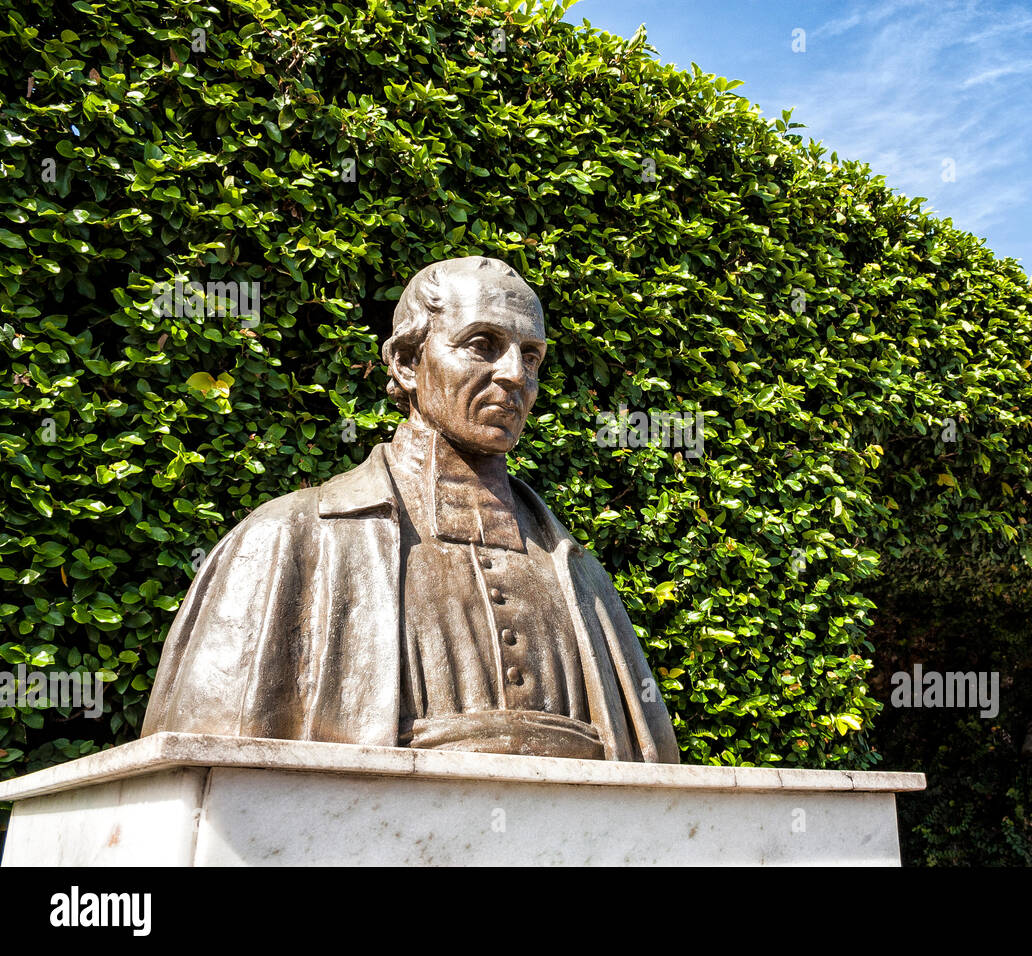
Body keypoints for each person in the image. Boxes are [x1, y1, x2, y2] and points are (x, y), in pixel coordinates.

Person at [142, 256, 680, 763]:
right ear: (405, 363)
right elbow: (208, 780)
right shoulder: (286, 539)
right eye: (482, 344)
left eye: (531, 355)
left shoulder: (578, 572)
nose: (516, 374)